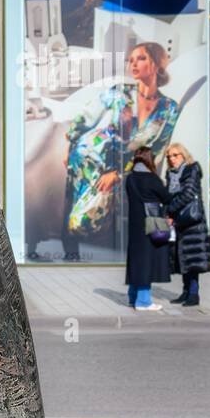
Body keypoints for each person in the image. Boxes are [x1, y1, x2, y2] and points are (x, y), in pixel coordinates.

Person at [64, 41, 179, 260]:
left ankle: (136, 258)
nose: (133, 63)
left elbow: (155, 150)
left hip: (123, 167)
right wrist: (69, 143)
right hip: (90, 155)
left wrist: (118, 173)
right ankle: (71, 252)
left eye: (141, 58)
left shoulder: (169, 108)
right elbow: (86, 117)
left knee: (94, 216)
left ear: (155, 64)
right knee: (76, 209)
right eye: (131, 60)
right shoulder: (120, 92)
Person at [123, 147, 172, 311]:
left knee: (136, 260)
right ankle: (143, 301)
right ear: (149, 159)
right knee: (147, 261)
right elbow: (166, 198)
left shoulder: (130, 179)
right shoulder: (152, 179)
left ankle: (133, 296)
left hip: (134, 225)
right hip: (152, 223)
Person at [164, 142, 210, 306]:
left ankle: (193, 294)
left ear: (183, 155)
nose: (171, 159)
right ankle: (185, 292)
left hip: (193, 222)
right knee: (183, 258)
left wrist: (170, 209)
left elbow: (189, 193)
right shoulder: (170, 174)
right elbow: (169, 195)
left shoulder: (192, 169)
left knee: (193, 260)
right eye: (169, 156)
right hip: (179, 222)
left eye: (175, 155)